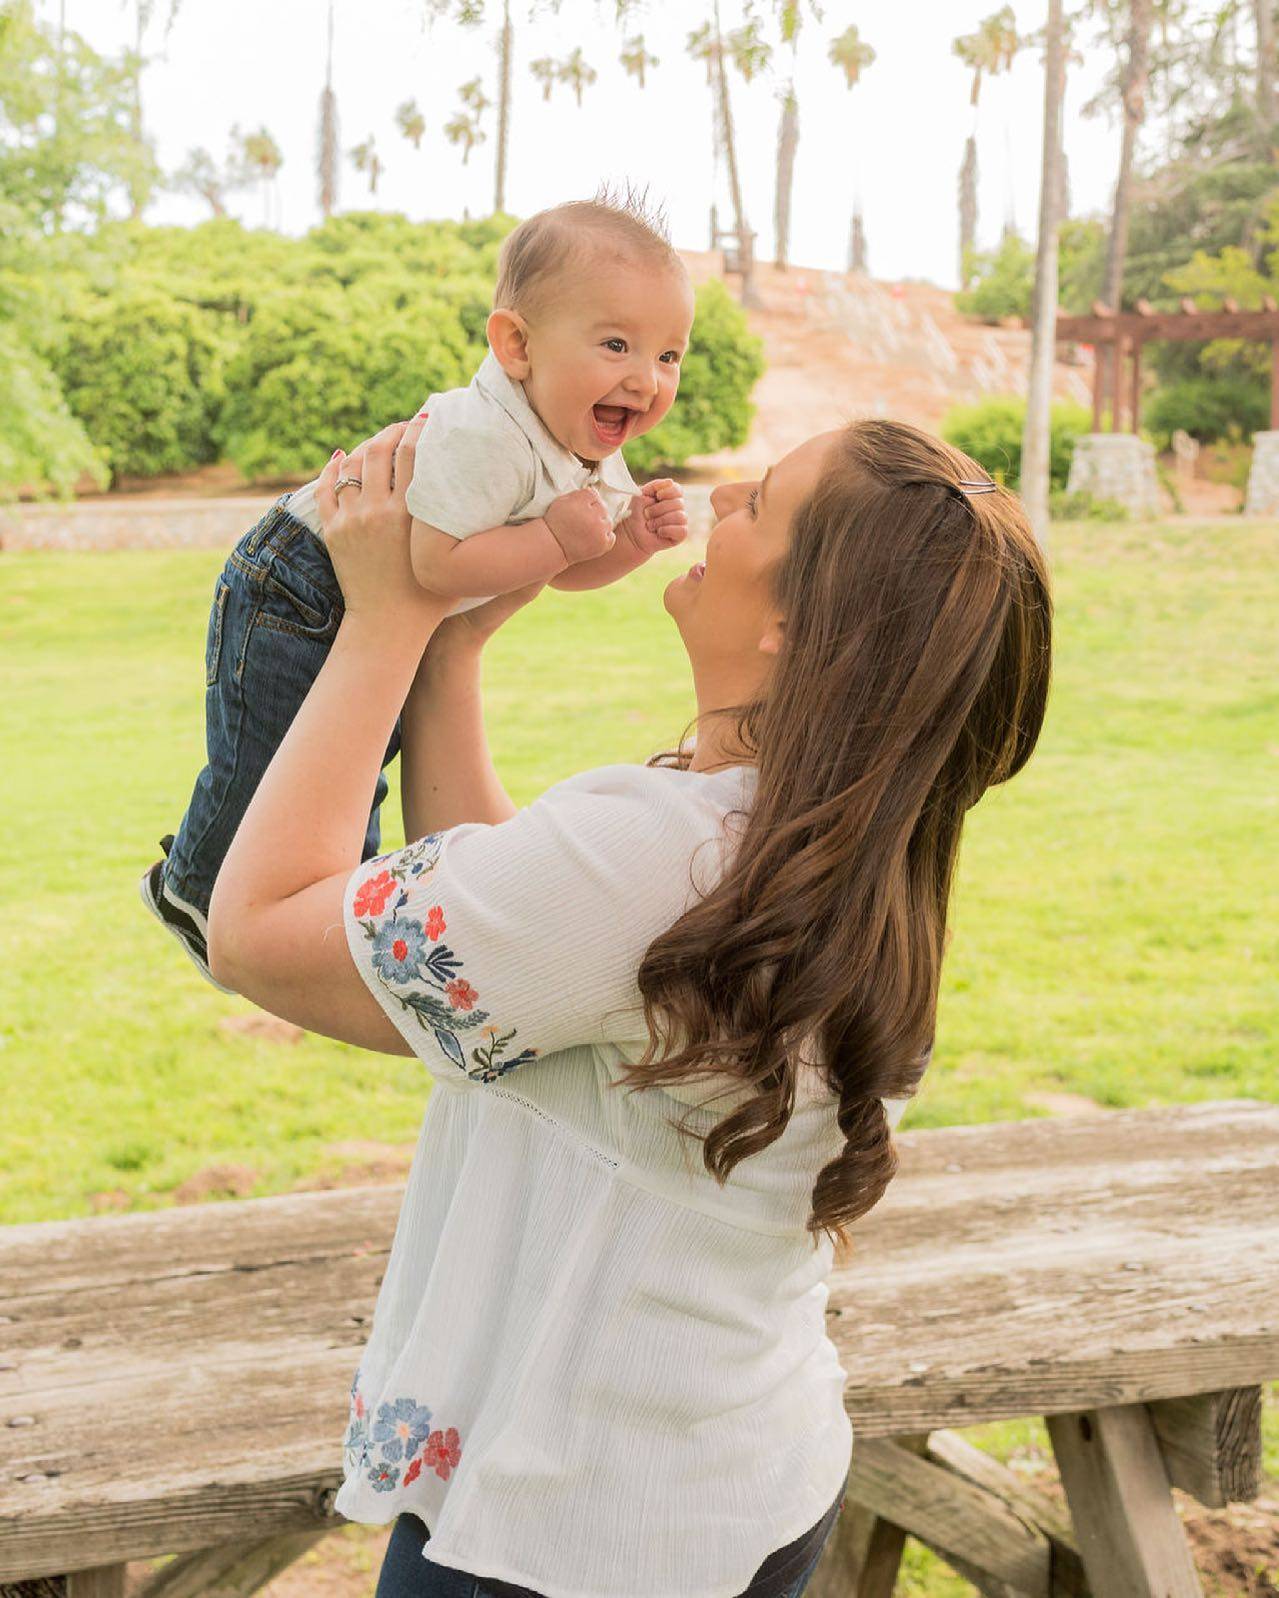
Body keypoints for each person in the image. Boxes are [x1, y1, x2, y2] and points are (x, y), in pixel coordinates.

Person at [204, 413, 1052, 1598]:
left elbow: (257, 930)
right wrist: (451, 653)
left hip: (560, 1536)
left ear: (791, 625)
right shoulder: (824, 848)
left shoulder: (660, 859)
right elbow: (518, 921)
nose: (714, 505)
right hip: (732, 1474)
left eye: (757, 501)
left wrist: (386, 621)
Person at [140, 193, 692, 988]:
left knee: (352, 776)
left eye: (668, 356)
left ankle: (255, 914)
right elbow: (436, 567)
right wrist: (552, 538)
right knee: (272, 767)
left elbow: (563, 573)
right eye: (616, 345)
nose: (645, 379)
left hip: (376, 604)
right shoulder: (482, 433)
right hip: (299, 583)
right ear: (516, 344)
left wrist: (628, 541)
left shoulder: (589, 448)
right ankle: (194, 886)